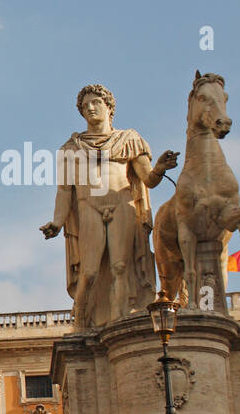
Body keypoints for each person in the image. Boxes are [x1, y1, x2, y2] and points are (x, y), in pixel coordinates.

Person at [40, 83, 178, 330]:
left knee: (120, 267)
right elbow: (64, 191)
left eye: (95, 103)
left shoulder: (130, 140)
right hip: (89, 208)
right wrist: (57, 222)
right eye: (84, 106)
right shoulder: (71, 148)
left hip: (122, 204)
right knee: (90, 271)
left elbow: (148, 179)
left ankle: (119, 318)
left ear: (109, 107)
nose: (90, 108)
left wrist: (159, 167)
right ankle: (80, 318)